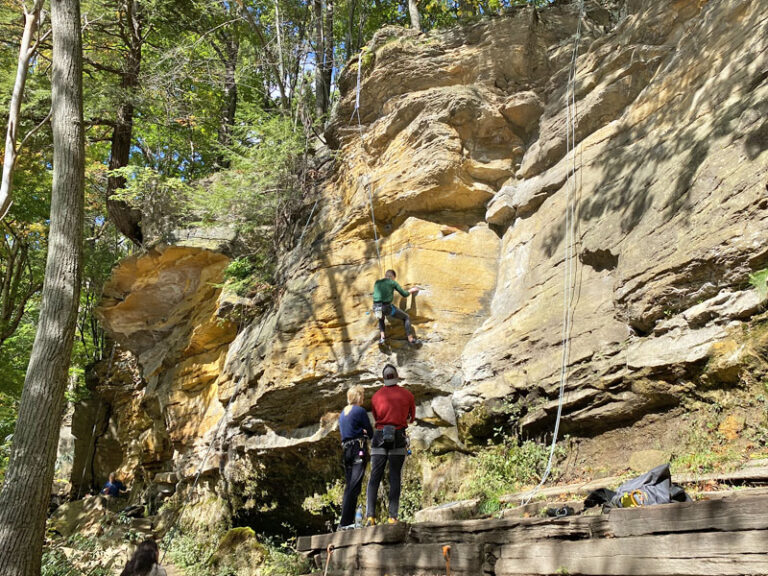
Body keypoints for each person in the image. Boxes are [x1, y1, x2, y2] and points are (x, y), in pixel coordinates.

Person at [365, 364, 415, 525]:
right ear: (397, 376)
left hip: (379, 436)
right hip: (398, 435)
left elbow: (376, 416)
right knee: (394, 477)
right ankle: (392, 517)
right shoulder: (407, 395)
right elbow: (411, 417)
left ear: (383, 378)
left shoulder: (376, 396)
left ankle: (370, 516)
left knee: (375, 477)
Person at [337, 385, 374, 530]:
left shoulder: (342, 413)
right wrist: (366, 434)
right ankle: (345, 522)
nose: (363, 399)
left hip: (346, 450)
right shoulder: (359, 411)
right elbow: (370, 431)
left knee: (350, 486)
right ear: (358, 397)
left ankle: (346, 521)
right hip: (358, 448)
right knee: (354, 485)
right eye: (362, 396)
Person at [373, 269, 420, 345]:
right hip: (386, 307)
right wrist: (411, 290)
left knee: (381, 318)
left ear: (385, 275)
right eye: (394, 278)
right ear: (392, 277)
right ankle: (410, 339)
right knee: (406, 317)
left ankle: (382, 338)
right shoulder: (392, 282)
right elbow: (404, 294)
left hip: (375, 307)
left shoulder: (377, 282)